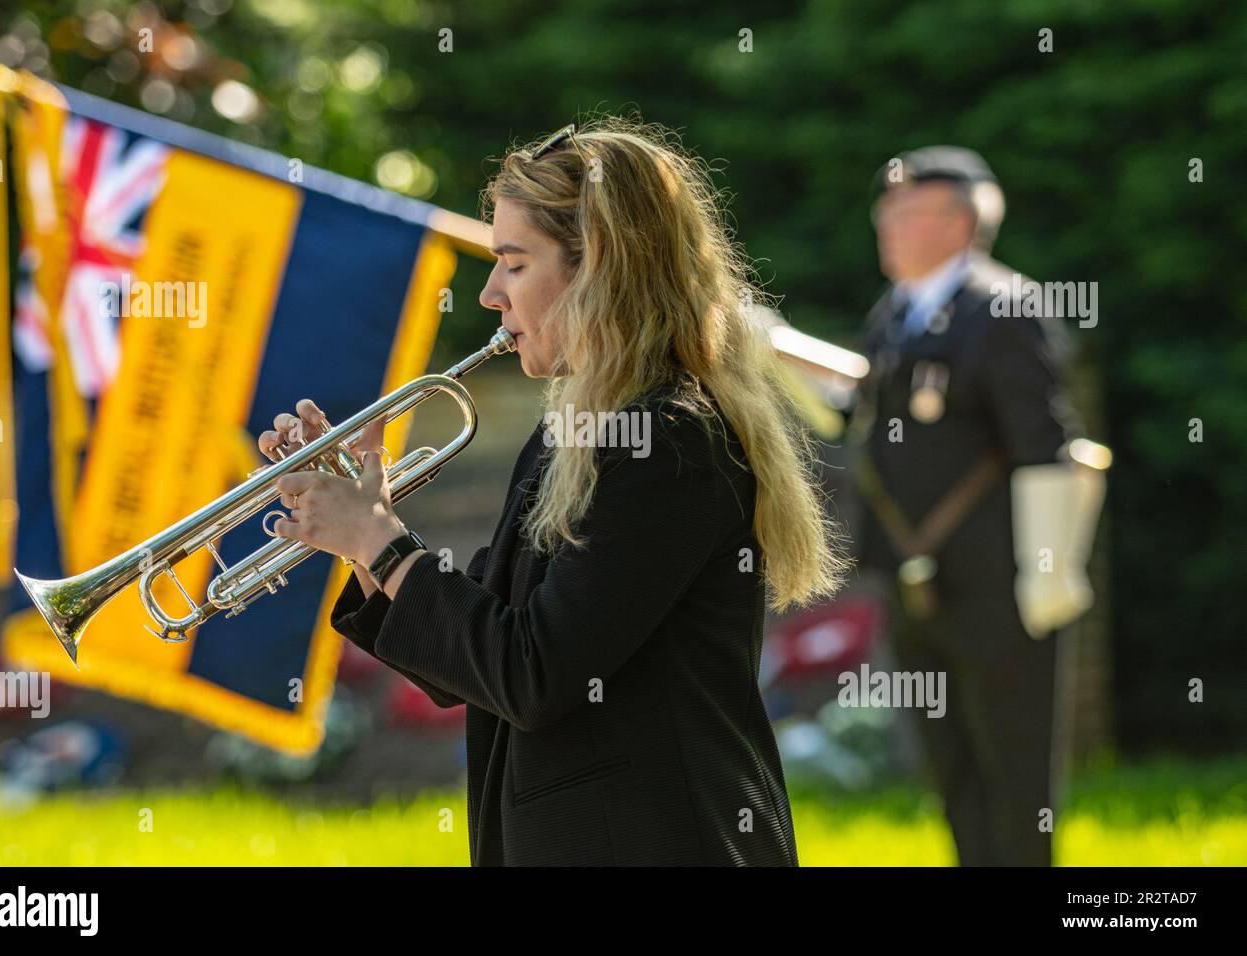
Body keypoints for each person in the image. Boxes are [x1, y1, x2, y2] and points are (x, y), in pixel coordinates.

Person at [257, 119, 850, 866]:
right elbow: (477, 666)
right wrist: (362, 529)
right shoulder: (572, 433)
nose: (489, 294)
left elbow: (531, 672)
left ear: (600, 268)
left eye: (513, 263)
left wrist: (376, 535)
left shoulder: (665, 440)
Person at [849, 146, 1096, 866]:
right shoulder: (893, 311)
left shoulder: (1004, 306)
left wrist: (1046, 574)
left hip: (998, 577)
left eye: (907, 212)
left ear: (961, 224)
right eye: (884, 212)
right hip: (914, 575)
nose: (886, 226)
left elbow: (1047, 446)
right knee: (950, 764)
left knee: (1015, 768)